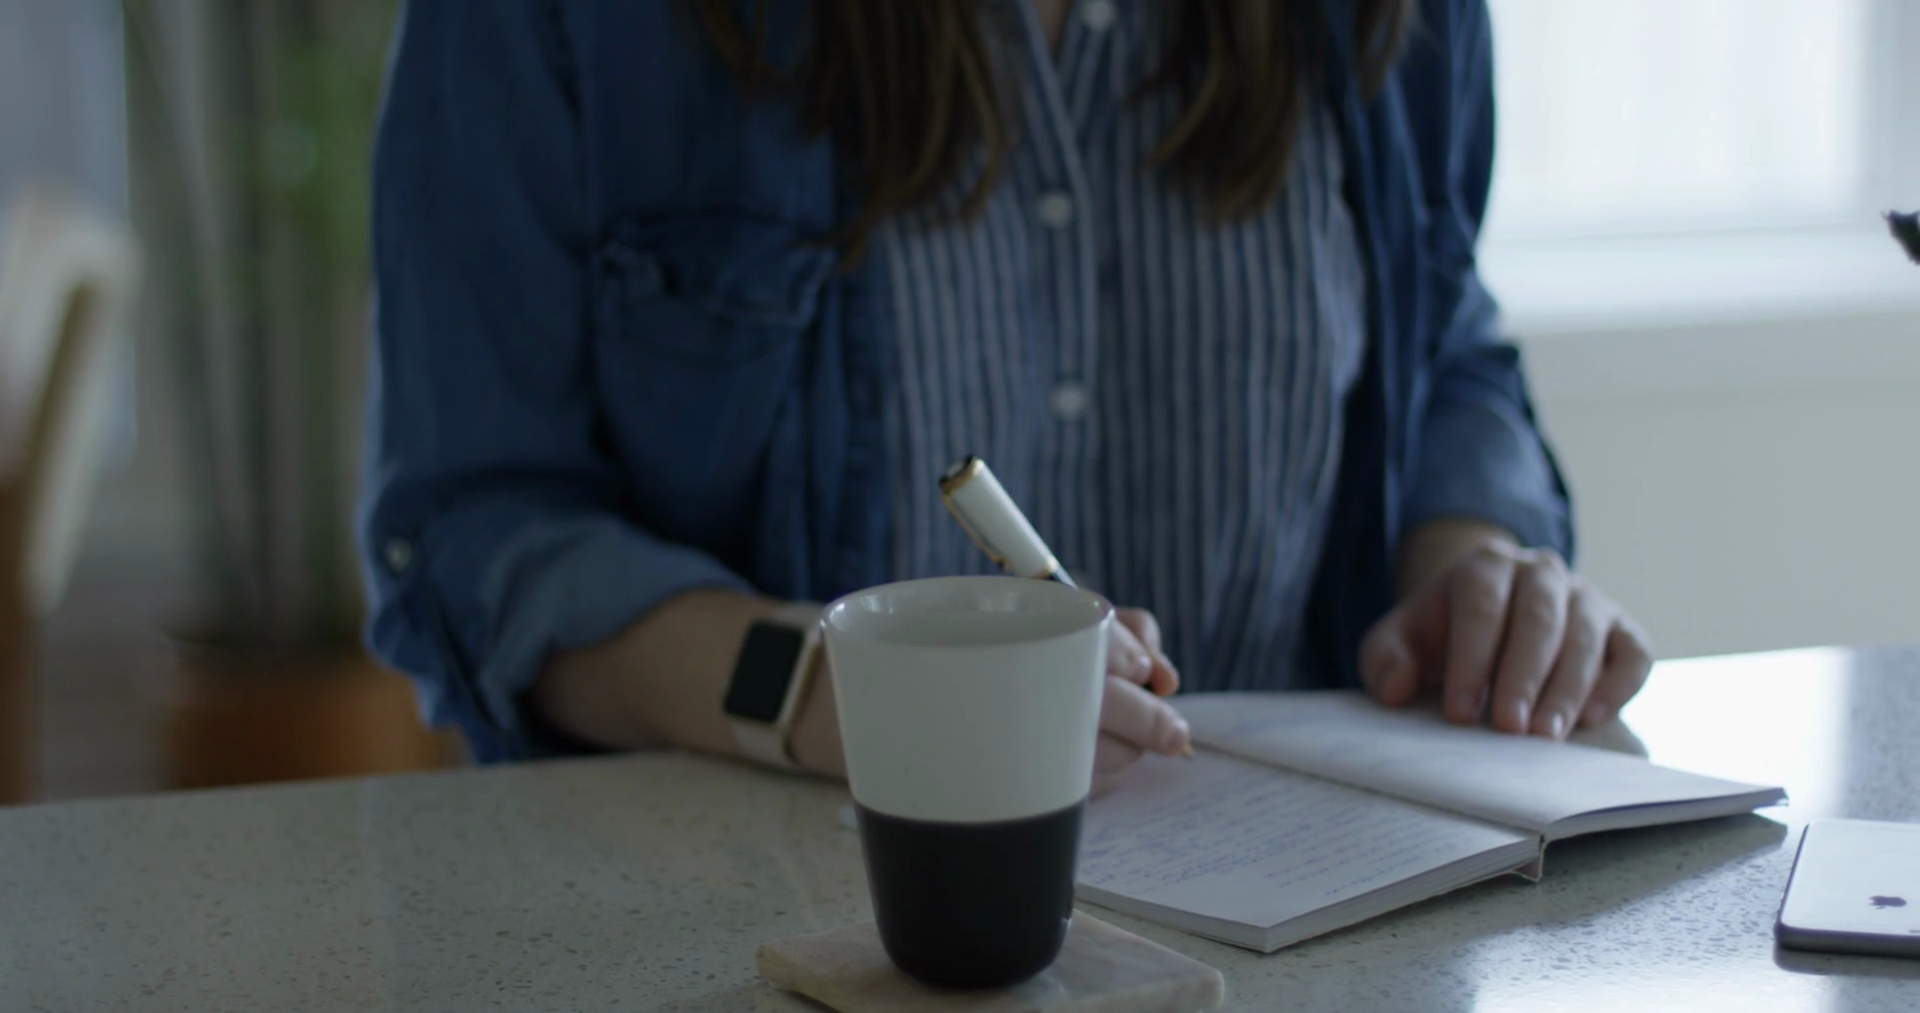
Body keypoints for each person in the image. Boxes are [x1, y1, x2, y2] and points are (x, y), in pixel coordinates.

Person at [360, 0, 1654, 790]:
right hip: (781, 911)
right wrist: (821, 693)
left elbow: (1439, 339)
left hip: (1325, 904)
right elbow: (478, 528)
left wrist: (1472, 570)